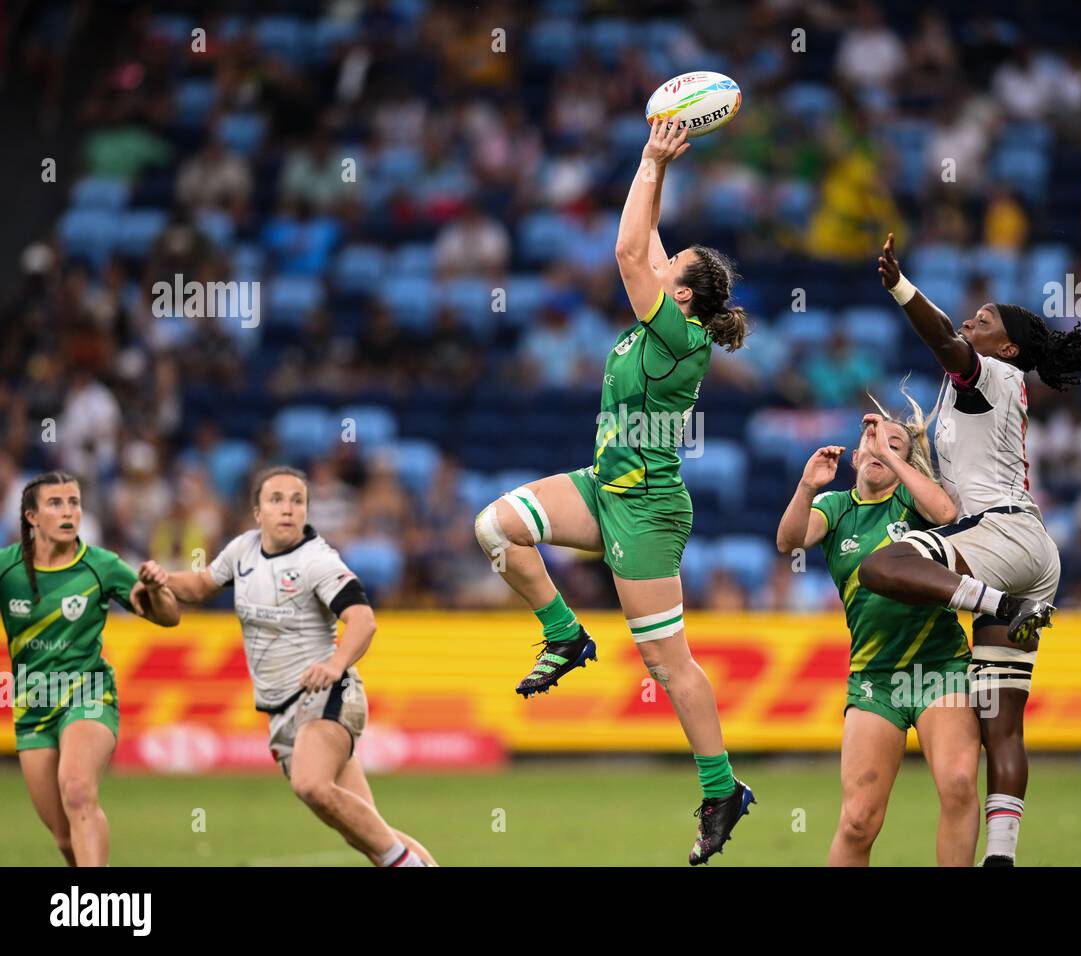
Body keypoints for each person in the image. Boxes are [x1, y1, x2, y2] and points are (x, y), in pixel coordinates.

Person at [472, 118, 754, 865]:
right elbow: (648, 235)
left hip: (649, 509)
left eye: (675, 267)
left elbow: (629, 248)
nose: (662, 262)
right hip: (605, 486)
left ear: (683, 295)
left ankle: (722, 787)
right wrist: (660, 171)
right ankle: (566, 634)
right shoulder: (671, 310)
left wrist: (645, 157)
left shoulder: (675, 336)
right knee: (496, 527)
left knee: (668, 664)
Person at [858, 233, 1081, 865]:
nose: (975, 317)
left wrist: (897, 285)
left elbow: (945, 339)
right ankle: (1000, 858)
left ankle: (999, 601)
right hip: (1034, 551)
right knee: (1001, 728)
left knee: (883, 566)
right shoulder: (980, 392)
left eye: (988, 319)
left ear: (1007, 347)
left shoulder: (988, 373)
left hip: (999, 540)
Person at [159, 466, 435, 867]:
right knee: (365, 832)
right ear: (257, 512)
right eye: (276, 499)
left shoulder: (317, 561)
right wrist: (158, 578)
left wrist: (336, 664)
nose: (287, 508)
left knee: (311, 784)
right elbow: (200, 585)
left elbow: (363, 620)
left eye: (297, 500)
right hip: (281, 711)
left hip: (328, 696)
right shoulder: (243, 551)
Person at [777, 390, 979, 866]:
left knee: (958, 786)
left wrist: (894, 451)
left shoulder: (912, 500)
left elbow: (948, 514)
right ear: (854, 455)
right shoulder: (833, 508)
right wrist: (806, 488)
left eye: (895, 445)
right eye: (871, 439)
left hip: (941, 669)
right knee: (859, 819)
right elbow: (788, 541)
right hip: (875, 679)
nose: (880, 449)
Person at [1, 471, 180, 866]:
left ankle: (96, 908)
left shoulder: (103, 566)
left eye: (74, 503)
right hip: (34, 705)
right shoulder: (6, 569)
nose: (69, 512)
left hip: (88, 693)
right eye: (55, 504)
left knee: (78, 790)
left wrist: (155, 590)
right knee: (65, 838)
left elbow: (169, 618)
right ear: (31, 517)